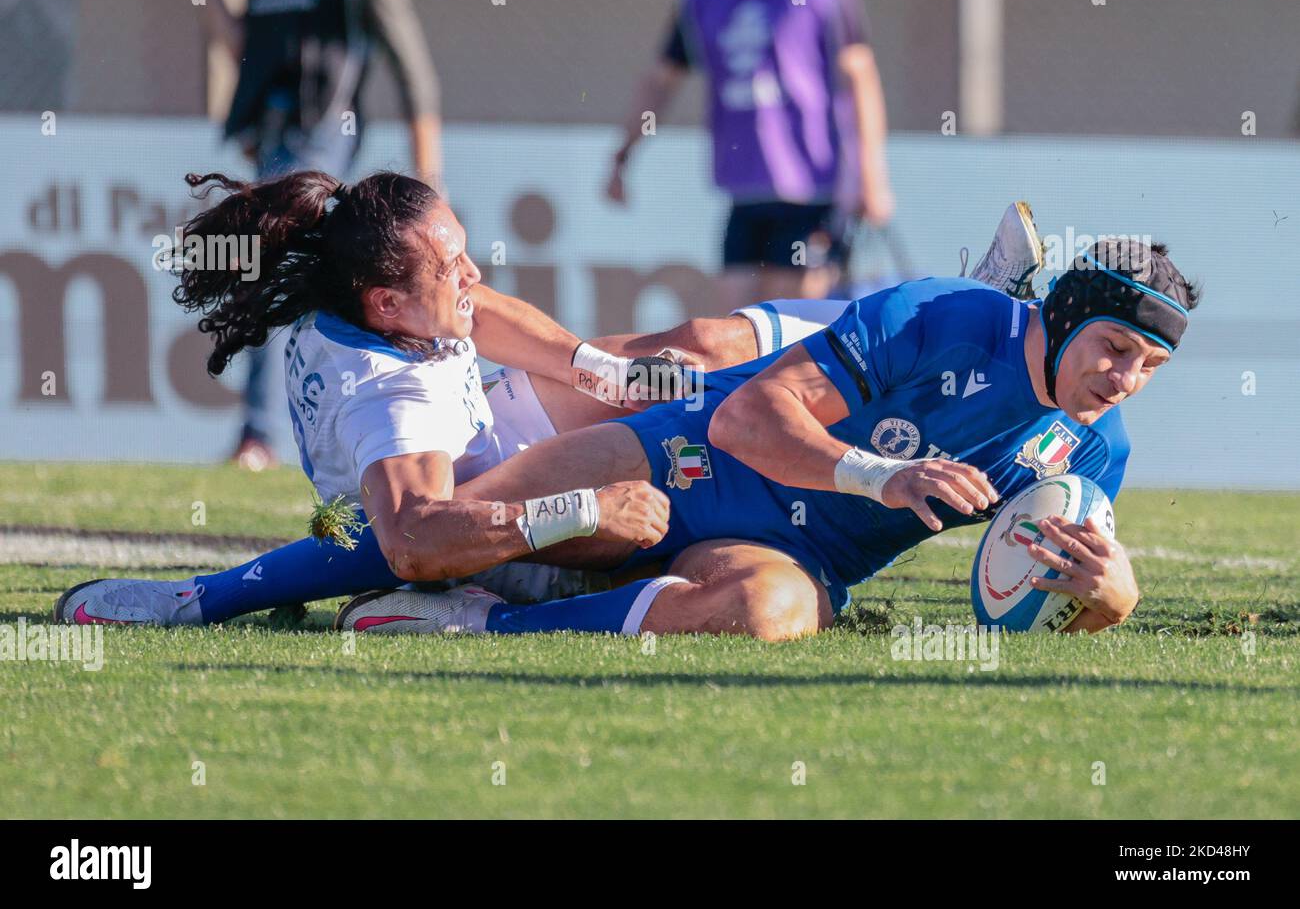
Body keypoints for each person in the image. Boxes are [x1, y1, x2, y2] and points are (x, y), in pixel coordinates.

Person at [54, 171, 1036, 628]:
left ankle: (965, 304)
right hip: (497, 518)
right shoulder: (384, 397)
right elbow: (409, 540)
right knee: (715, 427)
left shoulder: (397, 295)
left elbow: (484, 311)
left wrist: (600, 368)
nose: (470, 271)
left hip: (488, 440)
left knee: (690, 349)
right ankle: (450, 614)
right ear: (390, 303)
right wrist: (582, 510)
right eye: (448, 265)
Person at [332, 236, 1197, 639]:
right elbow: (745, 417)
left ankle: (480, 624)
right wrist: (880, 475)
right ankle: (206, 595)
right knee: (437, 528)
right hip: (689, 456)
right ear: (1061, 316)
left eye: (1150, 366)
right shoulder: (943, 316)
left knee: (769, 614)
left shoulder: (1093, 454)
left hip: (792, 552)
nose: (1125, 380)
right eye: (1117, 349)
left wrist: (1113, 598)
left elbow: (1037, 603)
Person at [189, 0, 443, 469]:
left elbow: (413, 71)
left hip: (323, 132)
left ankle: (259, 435)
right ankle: (270, 435)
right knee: (280, 278)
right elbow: (243, 46)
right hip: (271, 135)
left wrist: (431, 190)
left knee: (265, 272)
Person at [606, 0, 894, 307]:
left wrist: (872, 178)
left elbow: (859, 71)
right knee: (737, 325)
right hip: (744, 193)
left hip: (813, 193)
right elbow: (663, 79)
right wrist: (624, 155)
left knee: (792, 329)